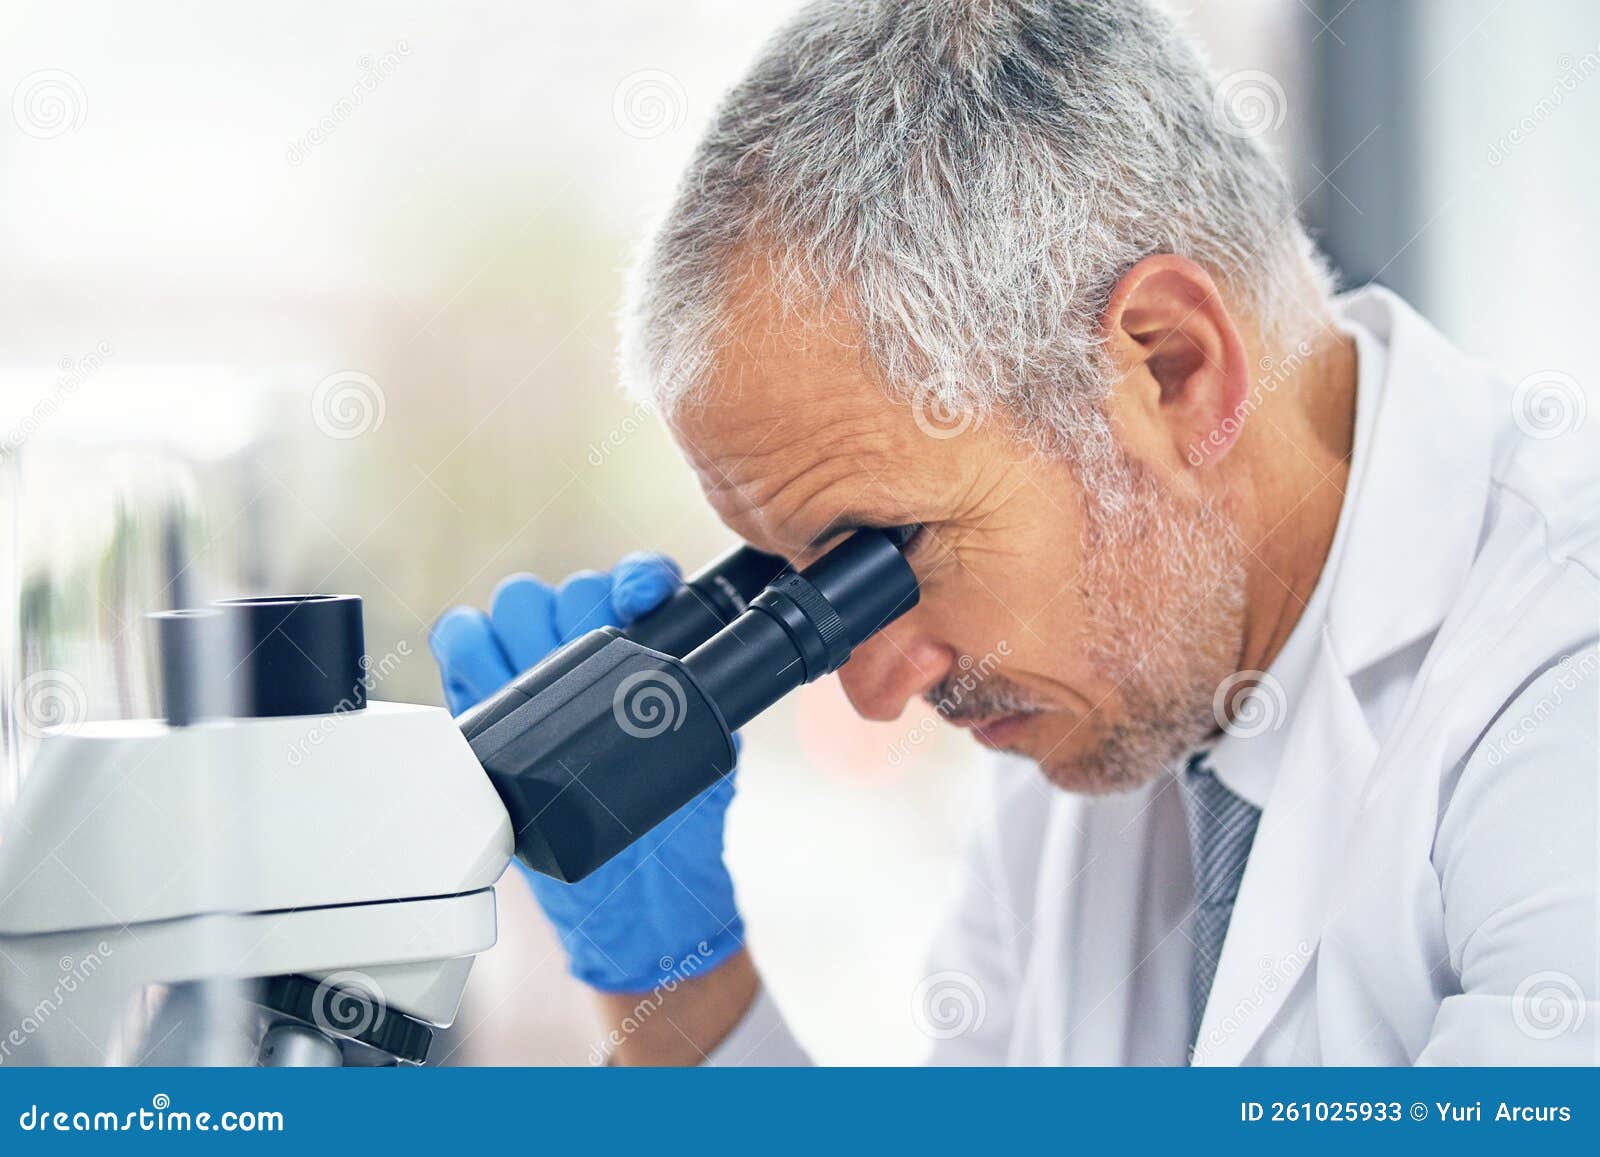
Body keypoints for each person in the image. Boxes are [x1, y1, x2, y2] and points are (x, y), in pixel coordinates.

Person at [430, 0, 1598, 1065]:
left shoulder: (1559, 670)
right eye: (798, 587)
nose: (877, 688)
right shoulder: (1094, 688)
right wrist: (677, 981)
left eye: (887, 553)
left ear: (1170, 368)